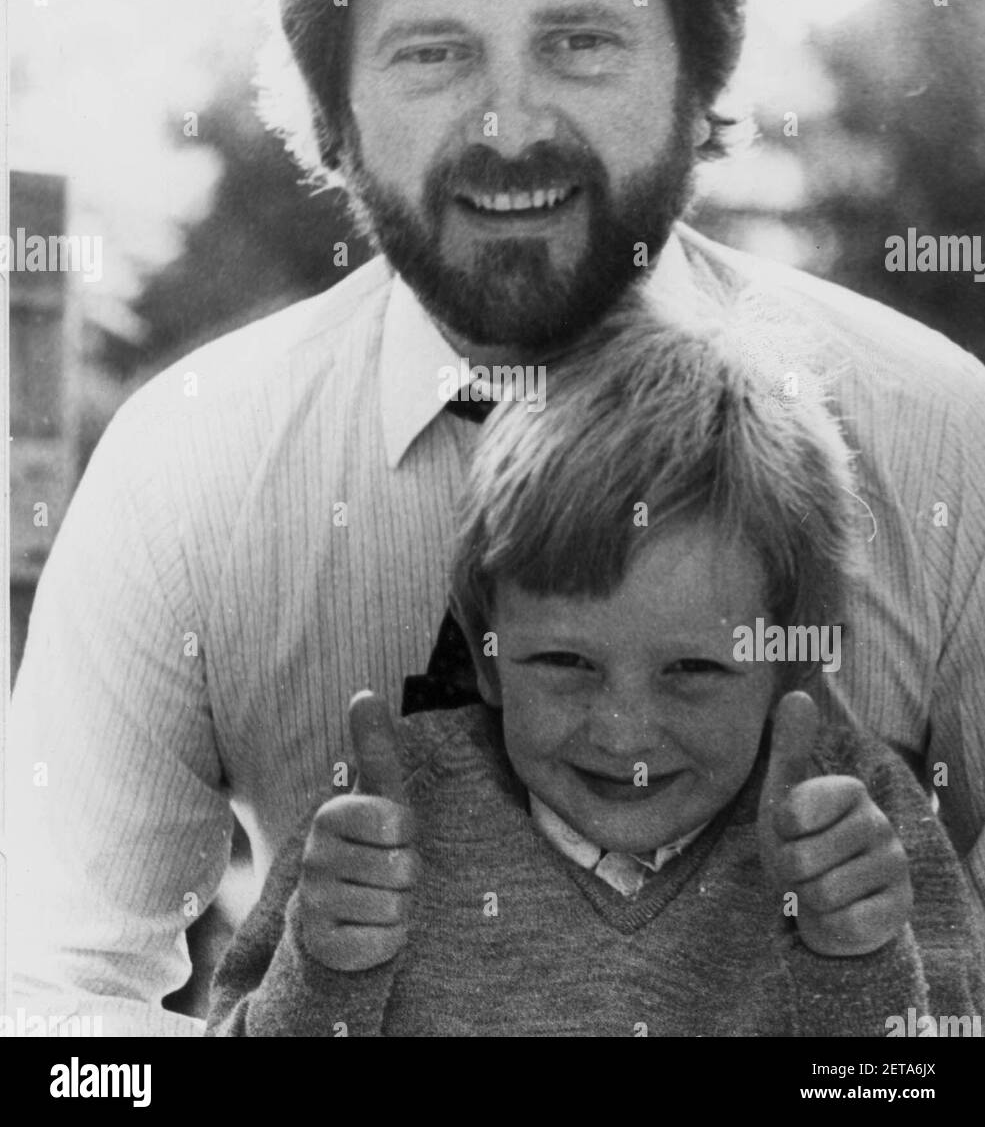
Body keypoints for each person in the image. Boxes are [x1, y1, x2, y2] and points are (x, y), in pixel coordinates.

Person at [10, 0, 985, 1037]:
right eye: (432, 53)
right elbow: (51, 991)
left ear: (700, 72)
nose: (511, 123)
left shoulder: (944, 440)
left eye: (582, 39)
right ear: (332, 107)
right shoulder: (186, 470)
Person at [205, 293, 984, 1037]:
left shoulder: (860, 828)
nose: (623, 734)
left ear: (789, 668)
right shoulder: (383, 820)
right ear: (486, 654)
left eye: (691, 671)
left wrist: (856, 963)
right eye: (566, 662)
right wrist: (327, 972)